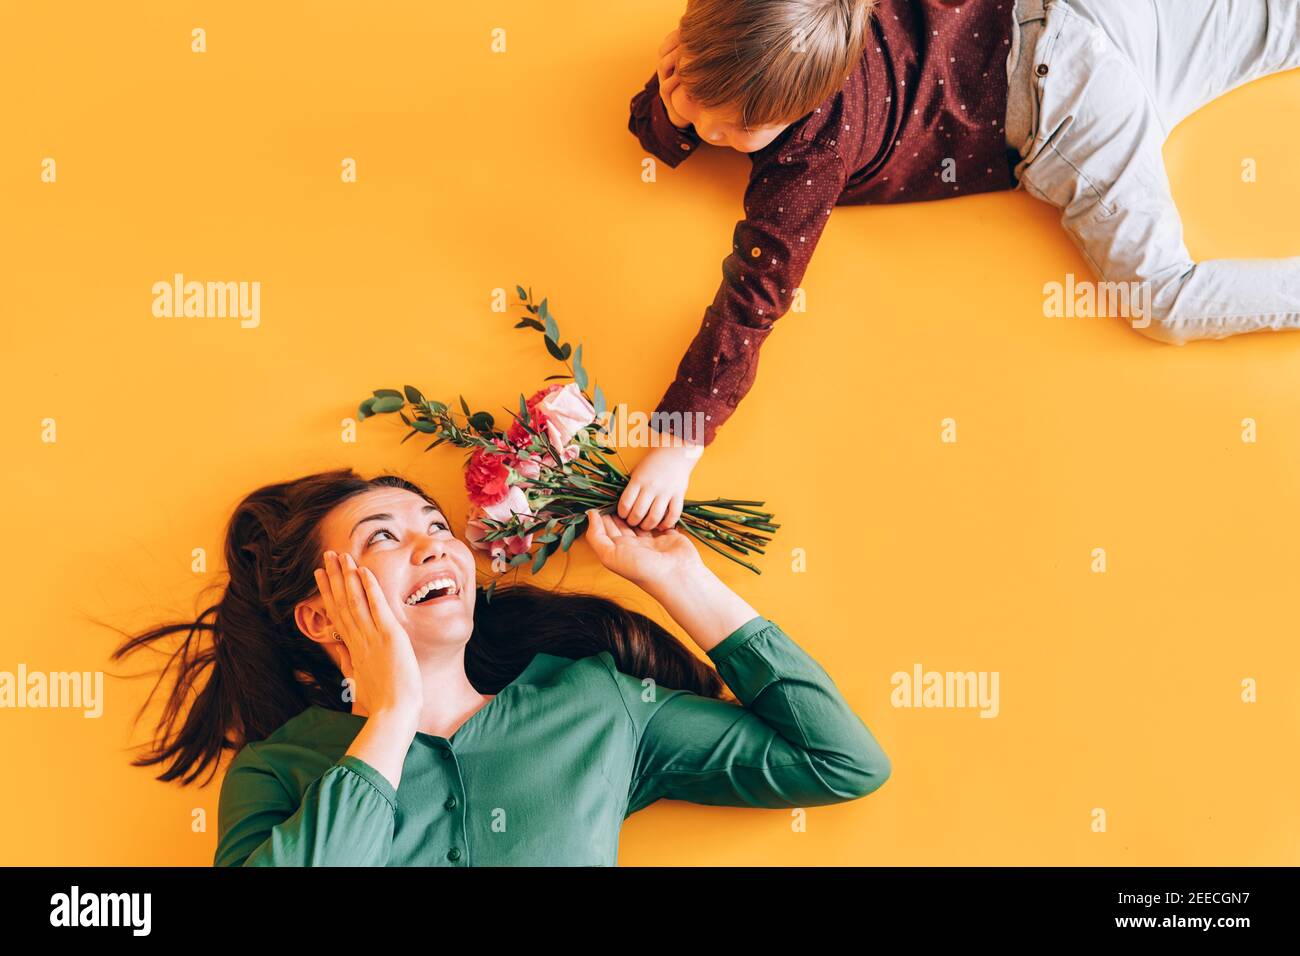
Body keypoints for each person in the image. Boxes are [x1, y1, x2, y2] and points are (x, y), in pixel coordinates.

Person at [618, 0, 1300, 530]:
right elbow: (693, 104)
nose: (711, 133)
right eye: (693, 89)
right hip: (1077, 13)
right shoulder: (768, 38)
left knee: (1162, 298)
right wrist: (669, 104)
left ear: (799, 110)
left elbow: (756, 290)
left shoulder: (810, 149)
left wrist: (682, 441)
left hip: (1072, 104)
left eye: (738, 130)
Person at [113, 469, 890, 865]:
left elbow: (840, 763)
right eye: (382, 538)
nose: (432, 544)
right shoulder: (278, 770)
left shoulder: (596, 706)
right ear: (320, 617)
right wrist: (387, 717)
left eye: (437, 526)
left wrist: (678, 579)